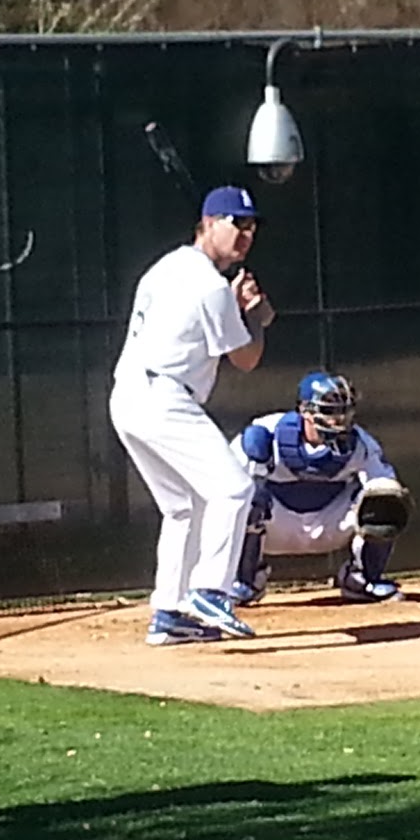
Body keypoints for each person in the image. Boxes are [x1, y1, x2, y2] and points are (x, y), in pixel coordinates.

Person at [109, 184, 276, 646]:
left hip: (128, 396)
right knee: (234, 487)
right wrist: (255, 316)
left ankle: (169, 612)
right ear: (207, 223)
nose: (245, 234)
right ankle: (209, 592)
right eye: (234, 223)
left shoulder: (167, 267)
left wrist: (233, 303)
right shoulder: (208, 286)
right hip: (164, 397)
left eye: (250, 226)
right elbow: (245, 359)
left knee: (184, 507)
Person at [230, 370, 406, 605]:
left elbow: (387, 485)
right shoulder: (265, 434)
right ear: (305, 411)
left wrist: (383, 502)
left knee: (384, 498)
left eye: (344, 410)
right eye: (329, 410)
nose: (339, 419)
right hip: (274, 524)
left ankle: (362, 578)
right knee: (246, 498)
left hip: (330, 522)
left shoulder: (360, 443)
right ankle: (247, 579)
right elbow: (226, 488)